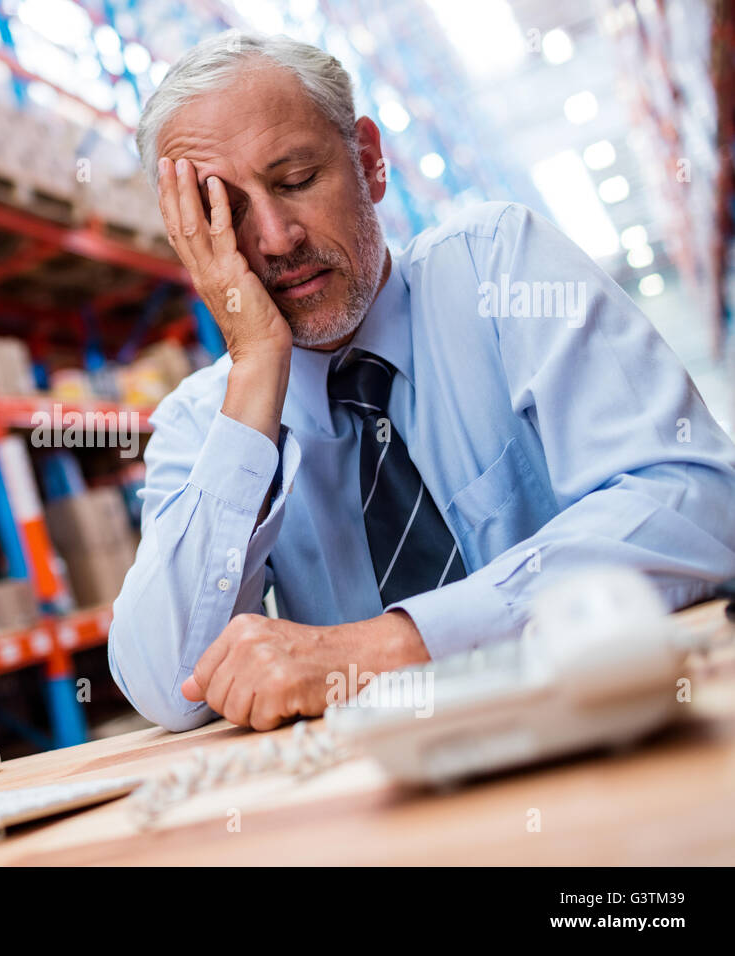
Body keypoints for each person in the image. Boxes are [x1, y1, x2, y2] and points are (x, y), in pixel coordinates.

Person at [107, 32, 735, 733]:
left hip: (605, 730)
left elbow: (697, 501)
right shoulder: (204, 424)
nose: (278, 239)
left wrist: (392, 647)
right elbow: (170, 686)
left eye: (297, 181)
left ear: (370, 161)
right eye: (229, 215)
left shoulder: (501, 271)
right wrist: (255, 366)